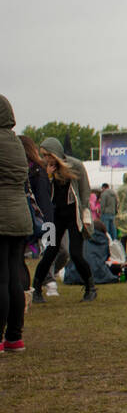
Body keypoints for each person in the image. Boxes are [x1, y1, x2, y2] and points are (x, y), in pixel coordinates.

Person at [33, 138, 96, 303]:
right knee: (50, 252)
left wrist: (86, 213)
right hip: (56, 217)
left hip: (74, 215)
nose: (46, 158)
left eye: (48, 155)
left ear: (55, 153)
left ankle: (90, 287)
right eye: (44, 155)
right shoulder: (45, 170)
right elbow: (43, 193)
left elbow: (84, 190)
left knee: (75, 253)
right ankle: (37, 288)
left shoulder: (75, 165)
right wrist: (48, 175)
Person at [0, 95, 33, 354]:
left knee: (1, 279)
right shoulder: (15, 142)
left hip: (2, 216)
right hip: (20, 215)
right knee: (13, 276)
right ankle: (14, 336)